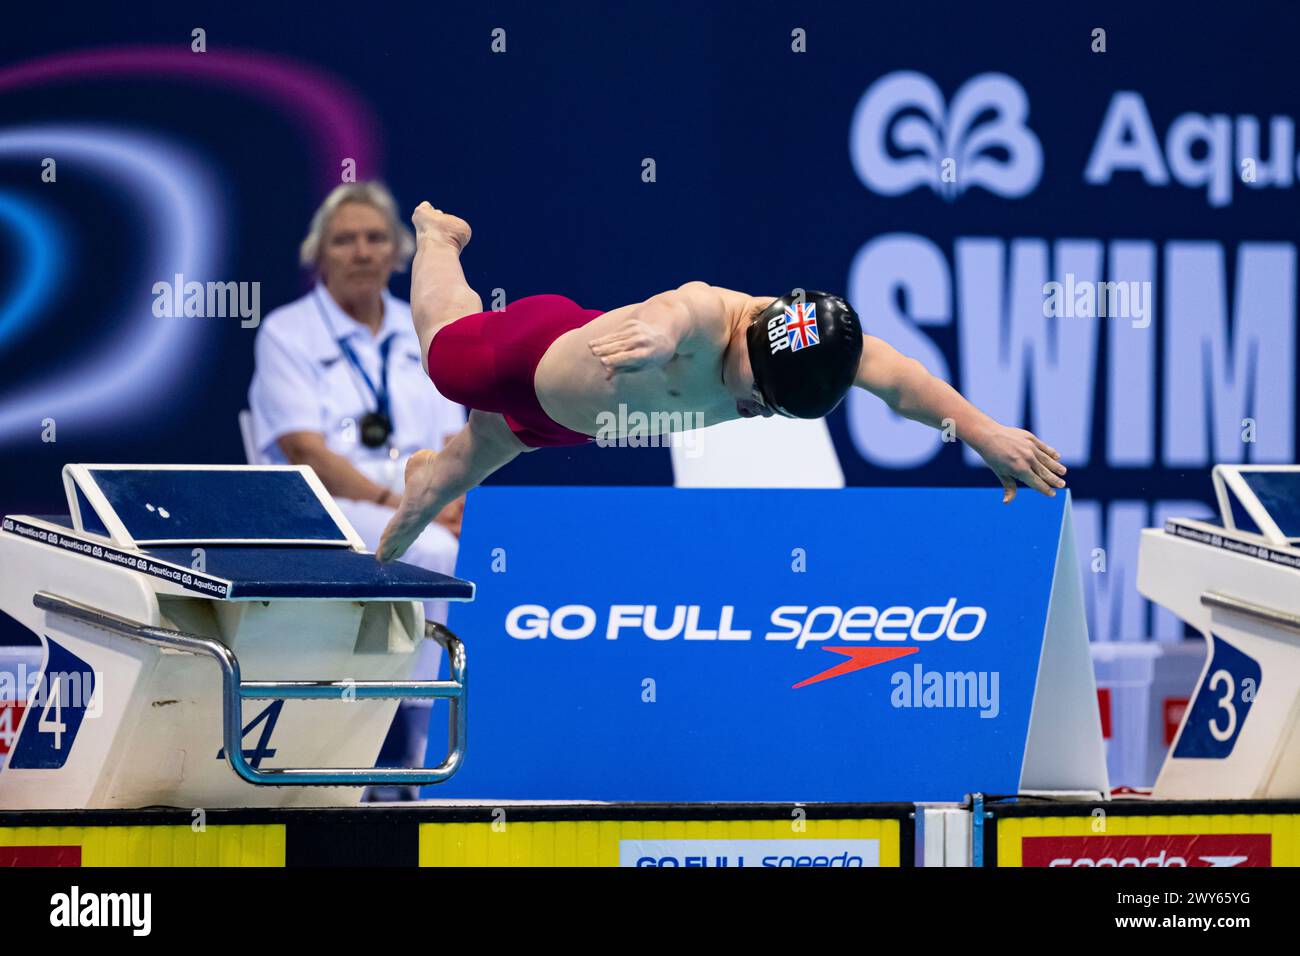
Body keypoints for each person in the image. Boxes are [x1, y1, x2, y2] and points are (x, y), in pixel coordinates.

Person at [377, 203, 1067, 563]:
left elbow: (905, 382)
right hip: (528, 357)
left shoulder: (823, 346)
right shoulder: (711, 319)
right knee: (447, 366)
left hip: (566, 422)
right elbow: (682, 303)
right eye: (761, 395)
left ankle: (430, 480)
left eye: (772, 408)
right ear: (753, 338)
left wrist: (985, 433)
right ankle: (440, 239)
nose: (756, 411)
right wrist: (655, 332)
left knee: (477, 458)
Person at [247, 183, 466, 797]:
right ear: (320, 253)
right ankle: (422, 740)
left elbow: (457, 439)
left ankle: (483, 729)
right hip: (322, 509)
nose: (362, 250)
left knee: (491, 540)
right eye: (345, 239)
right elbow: (303, 450)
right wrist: (406, 505)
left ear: (397, 252)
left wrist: (452, 497)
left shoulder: (422, 327)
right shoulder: (287, 332)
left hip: (418, 502)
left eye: (375, 238)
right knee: (435, 554)